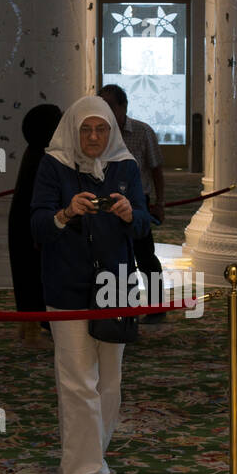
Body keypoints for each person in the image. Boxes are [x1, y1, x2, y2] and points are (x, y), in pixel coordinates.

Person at [30, 96, 152, 474]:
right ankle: (77, 472)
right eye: (86, 129)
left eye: (100, 129)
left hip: (114, 285)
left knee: (110, 381)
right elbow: (37, 226)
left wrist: (130, 214)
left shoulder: (125, 166)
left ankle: (96, 459)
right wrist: (65, 214)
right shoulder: (54, 165)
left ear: (111, 131)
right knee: (79, 380)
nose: (94, 137)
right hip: (67, 286)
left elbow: (144, 226)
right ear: (73, 130)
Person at [97, 85, 167, 322]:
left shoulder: (142, 131)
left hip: (138, 203)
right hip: (106, 205)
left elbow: (157, 170)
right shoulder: (97, 133)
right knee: (114, 258)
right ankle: (122, 308)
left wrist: (160, 203)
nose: (104, 110)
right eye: (101, 104)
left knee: (145, 256)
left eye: (110, 105)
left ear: (123, 106)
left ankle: (157, 307)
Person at [7, 103, 62, 344]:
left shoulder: (34, 153)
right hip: (33, 229)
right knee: (36, 276)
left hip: (23, 226)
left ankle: (32, 326)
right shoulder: (45, 158)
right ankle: (42, 325)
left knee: (26, 276)